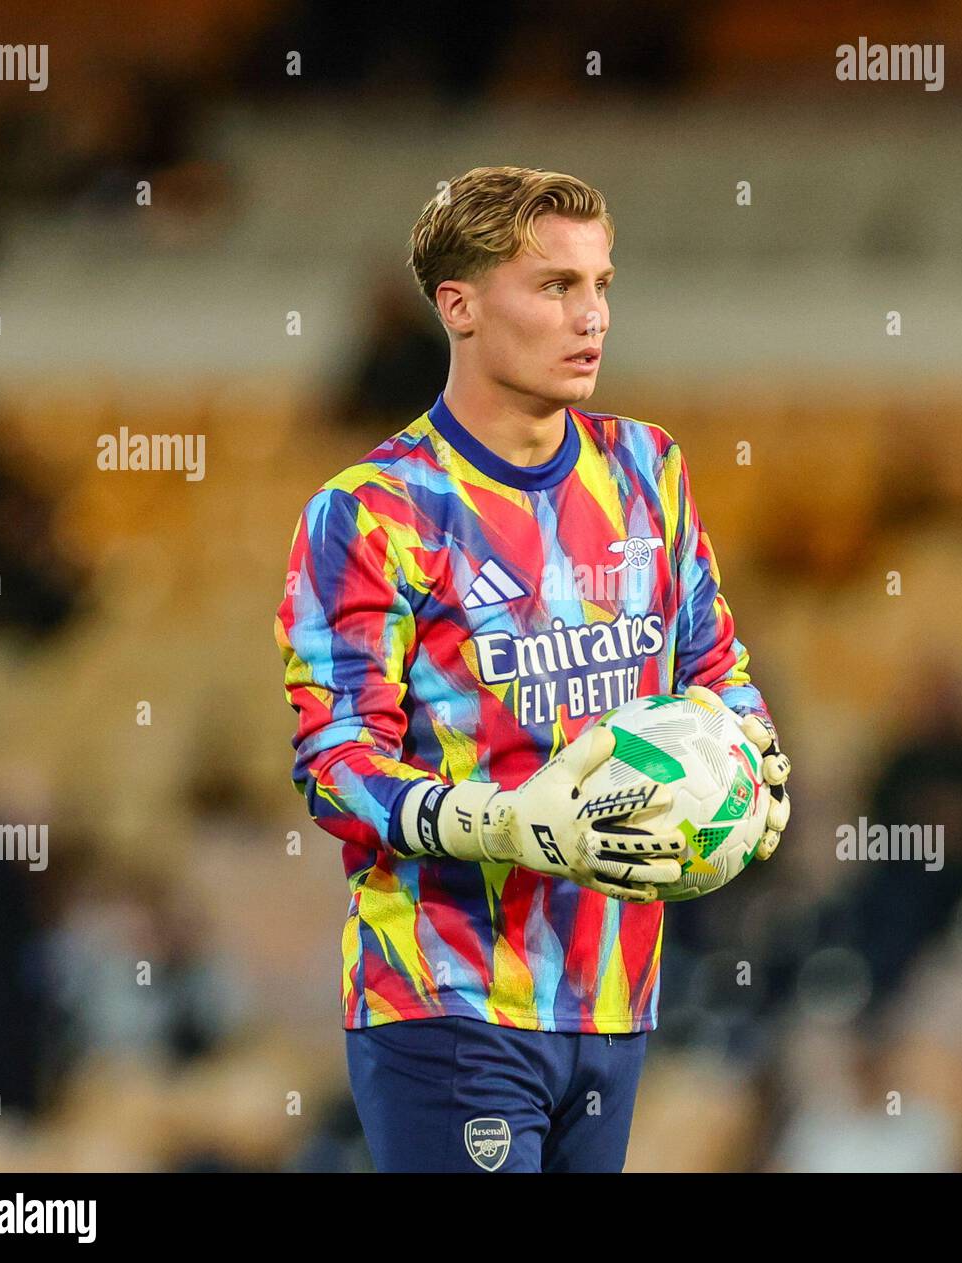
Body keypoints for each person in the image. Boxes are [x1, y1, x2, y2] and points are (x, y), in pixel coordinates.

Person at [274, 165, 791, 1172]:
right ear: (459, 306)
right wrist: (499, 822)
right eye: (554, 287)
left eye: (600, 285)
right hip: (444, 993)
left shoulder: (649, 469)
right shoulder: (373, 509)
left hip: (613, 991)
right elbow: (335, 761)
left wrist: (754, 756)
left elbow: (715, 669)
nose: (591, 316)